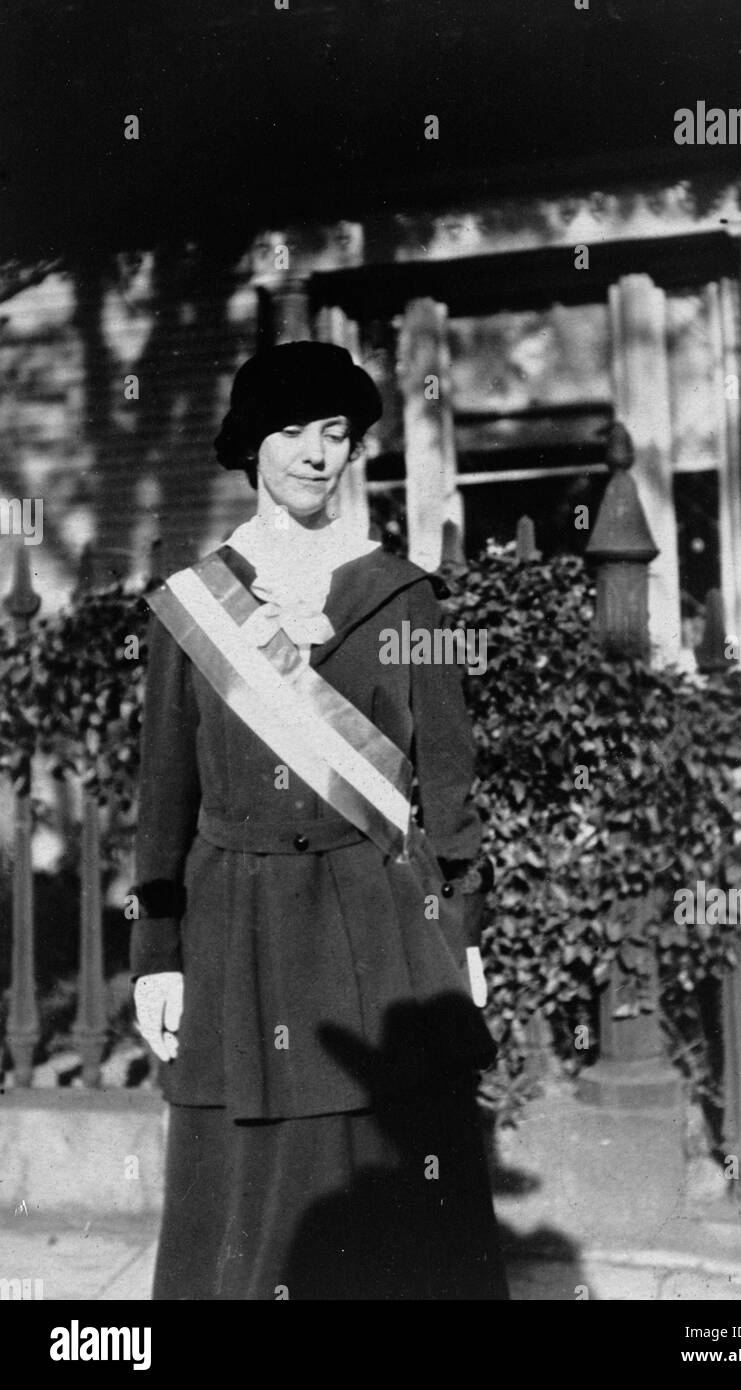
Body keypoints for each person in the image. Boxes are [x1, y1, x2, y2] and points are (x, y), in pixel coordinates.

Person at [131, 341, 509, 1300]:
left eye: (335, 432)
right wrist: (156, 952)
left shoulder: (404, 594)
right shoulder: (192, 611)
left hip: (375, 918)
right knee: (249, 1200)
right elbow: (163, 792)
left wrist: (461, 928)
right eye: (291, 429)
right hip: (236, 926)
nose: (314, 453)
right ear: (251, 445)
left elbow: (450, 777)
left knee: (396, 1204)